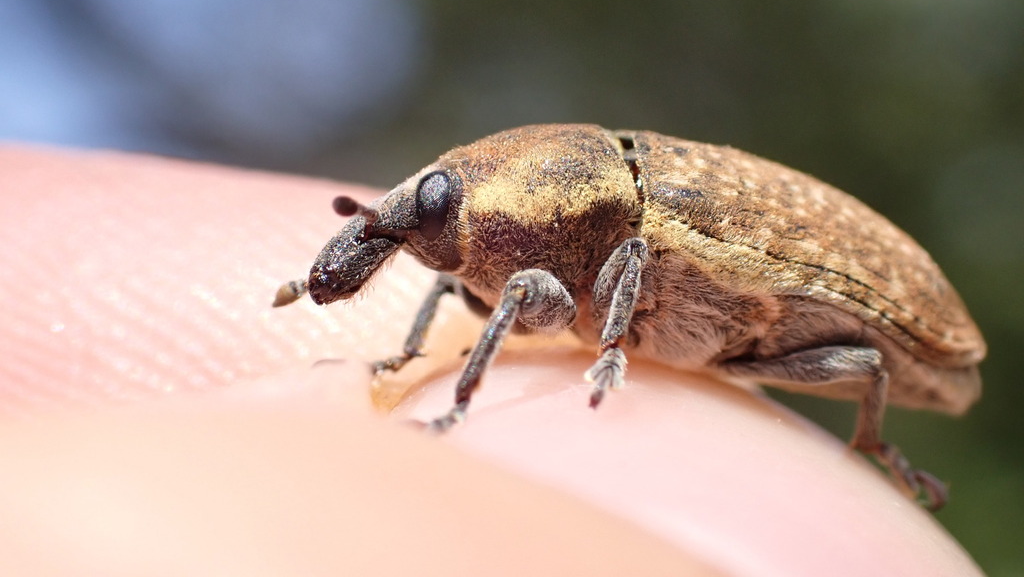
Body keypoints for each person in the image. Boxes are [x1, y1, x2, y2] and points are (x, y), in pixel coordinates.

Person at [0, 145, 981, 575]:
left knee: (864, 364)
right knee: (477, 286)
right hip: (696, 304)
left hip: (838, 316)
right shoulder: (522, 256)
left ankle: (875, 447)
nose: (393, 233)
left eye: (431, 212)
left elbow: (601, 262)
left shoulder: (624, 234)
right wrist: (379, 277)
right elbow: (463, 273)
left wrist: (602, 353)